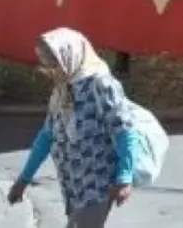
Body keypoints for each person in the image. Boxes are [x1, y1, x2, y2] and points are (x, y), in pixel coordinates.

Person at [8, 28, 142, 228]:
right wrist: (23, 180)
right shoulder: (62, 90)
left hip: (98, 183)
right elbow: (46, 137)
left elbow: (125, 131)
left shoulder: (101, 84)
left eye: (55, 64)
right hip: (72, 186)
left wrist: (124, 178)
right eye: (48, 65)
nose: (52, 71)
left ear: (71, 56)